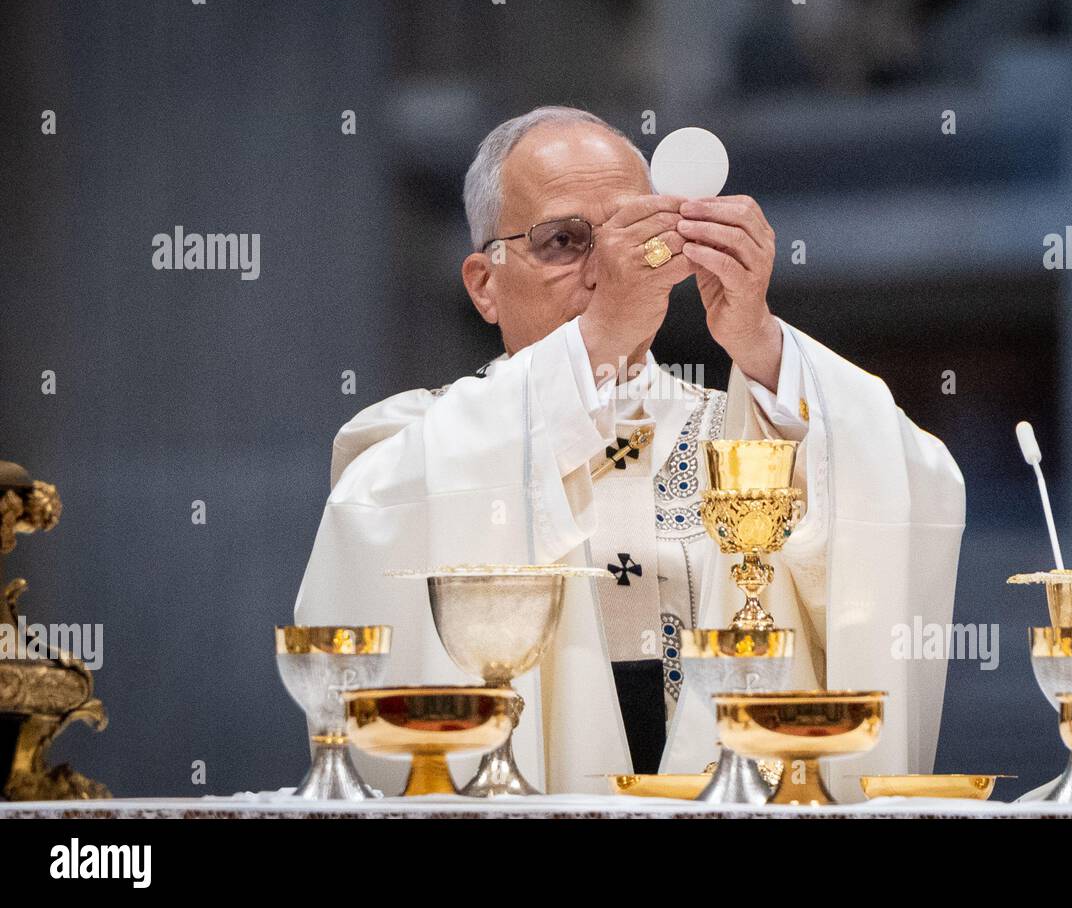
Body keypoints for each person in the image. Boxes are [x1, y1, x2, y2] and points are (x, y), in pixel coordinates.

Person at [293, 106, 965, 798]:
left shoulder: (753, 421)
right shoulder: (424, 439)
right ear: (483, 284)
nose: (610, 265)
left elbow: (910, 488)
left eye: (632, 233)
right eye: (565, 240)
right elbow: (369, 524)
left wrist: (761, 341)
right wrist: (599, 339)